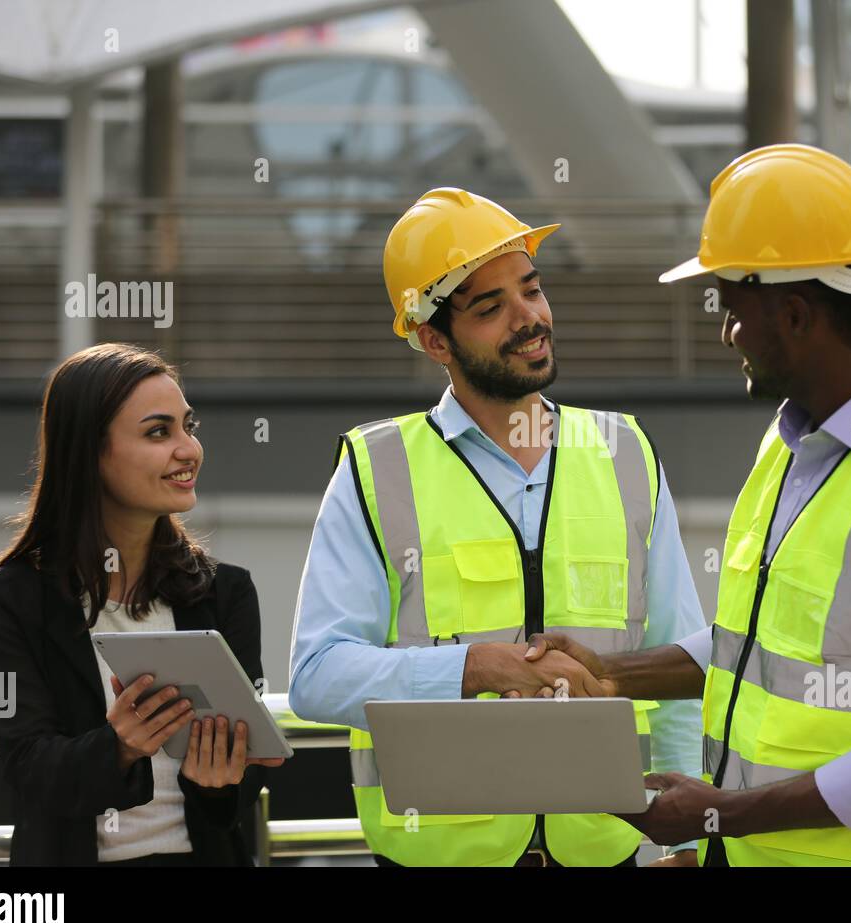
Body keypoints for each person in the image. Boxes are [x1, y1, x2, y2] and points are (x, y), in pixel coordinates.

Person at [526, 144, 851, 866]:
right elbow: (754, 647)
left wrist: (724, 815)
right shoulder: (788, 447)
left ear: (793, 314)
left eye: (731, 309)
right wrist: (611, 675)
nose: (727, 333)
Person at [288, 188, 704, 866]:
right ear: (433, 339)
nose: (529, 318)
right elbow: (315, 676)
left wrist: (685, 843)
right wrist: (476, 666)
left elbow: (680, 662)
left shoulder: (626, 453)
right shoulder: (376, 468)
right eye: (491, 307)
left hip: (607, 853)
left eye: (532, 291)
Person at [0, 342, 284, 866]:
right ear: (91, 452)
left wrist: (221, 778)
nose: (188, 449)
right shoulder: (11, 601)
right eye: (158, 432)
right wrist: (118, 746)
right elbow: (28, 771)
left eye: (189, 426)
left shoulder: (224, 592)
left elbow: (240, 778)